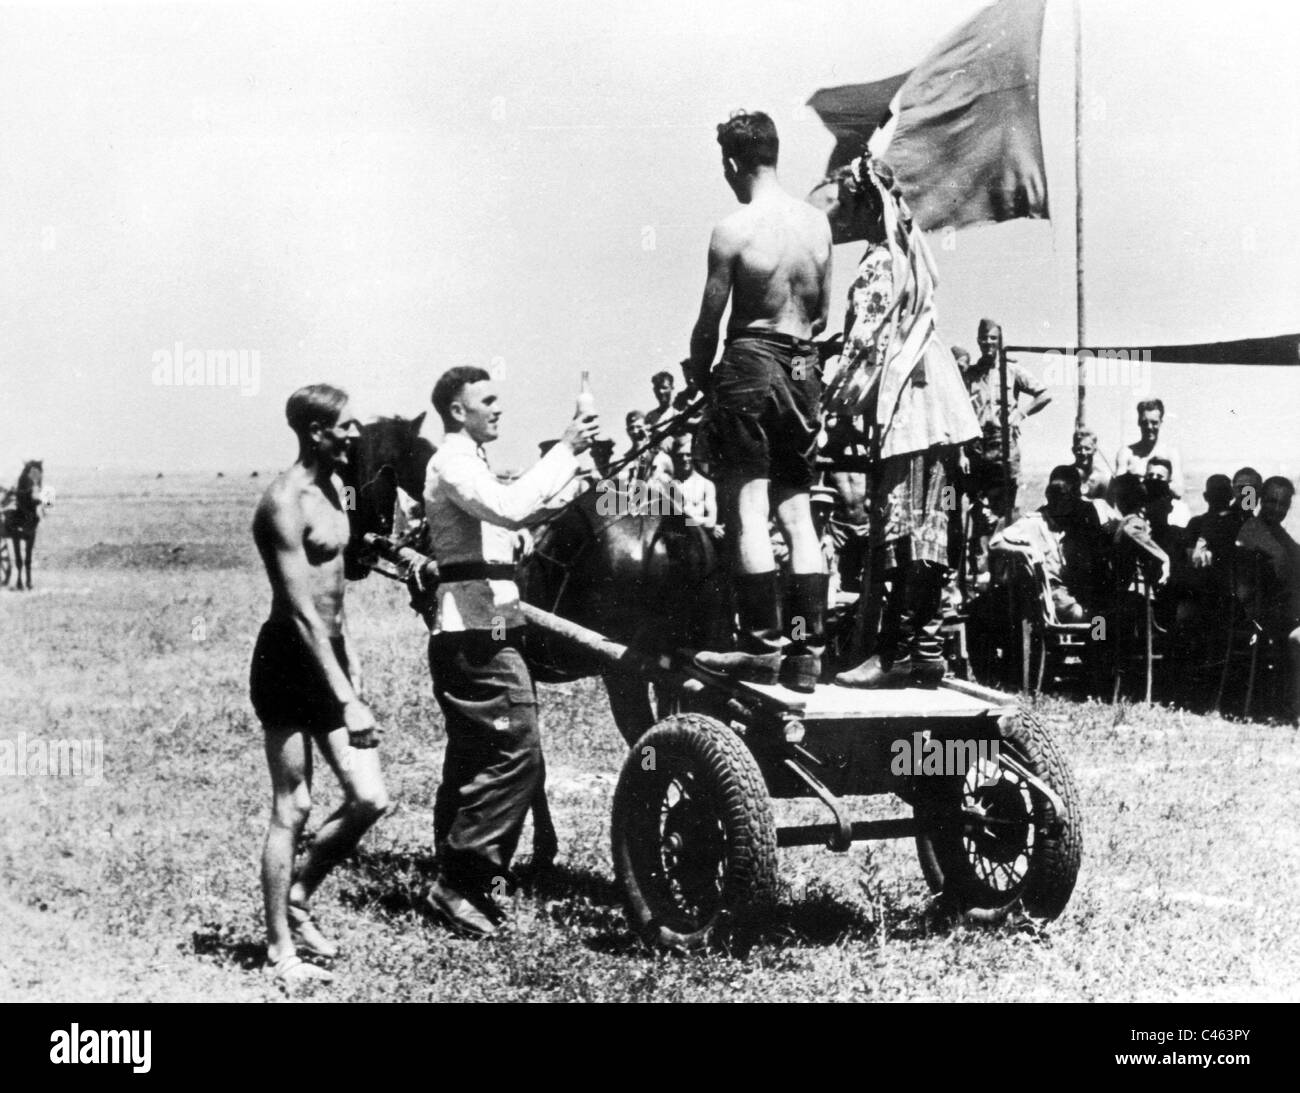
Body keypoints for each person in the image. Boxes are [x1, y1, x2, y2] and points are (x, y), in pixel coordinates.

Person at [422, 366, 599, 937]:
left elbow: (528, 512)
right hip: (472, 632)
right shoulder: (451, 463)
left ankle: (452, 873)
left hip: (486, 625)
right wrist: (564, 450)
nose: (499, 409)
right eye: (488, 400)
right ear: (457, 410)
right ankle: (459, 881)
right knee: (518, 749)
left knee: (475, 753)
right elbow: (511, 509)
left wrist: (578, 477)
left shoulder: (473, 464)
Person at [683, 110, 832, 692]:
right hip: (803, 367)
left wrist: (699, 372)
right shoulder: (818, 226)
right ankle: (806, 653)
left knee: (747, 508)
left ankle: (763, 649)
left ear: (732, 163)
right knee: (798, 514)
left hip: (750, 364)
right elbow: (820, 315)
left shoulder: (732, 229)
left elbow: (709, 323)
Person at [250, 384, 390, 983]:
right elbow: (303, 611)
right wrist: (348, 699)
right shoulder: (283, 501)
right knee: (294, 806)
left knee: (370, 799)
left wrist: (351, 654)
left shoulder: (335, 489)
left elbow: (335, 593)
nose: (355, 435)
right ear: (316, 431)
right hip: (288, 659)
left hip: (329, 656)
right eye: (346, 426)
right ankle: (279, 949)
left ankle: (301, 895)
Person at [991, 465, 1113, 623]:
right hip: (1054, 594)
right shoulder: (1036, 521)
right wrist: (1022, 551)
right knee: (1087, 615)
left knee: (1105, 612)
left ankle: (1096, 642)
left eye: (1066, 496)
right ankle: (1094, 639)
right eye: (1053, 495)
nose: (1057, 501)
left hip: (1080, 589)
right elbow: (995, 544)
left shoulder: (1082, 515)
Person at [961, 318, 1051, 523]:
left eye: (993, 338)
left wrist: (1021, 414)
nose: (988, 343)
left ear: (1000, 341)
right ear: (978, 341)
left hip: (1003, 445)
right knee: (979, 511)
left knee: (1005, 509)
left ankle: (1004, 550)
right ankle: (977, 552)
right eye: (984, 338)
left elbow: (1044, 394)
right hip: (977, 447)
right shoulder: (972, 375)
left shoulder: (1012, 371)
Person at [1234, 475, 1300, 721]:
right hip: (1268, 616)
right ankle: (1291, 707)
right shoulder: (1253, 531)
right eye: (1272, 501)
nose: (1277, 509)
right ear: (1260, 499)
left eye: (1283, 505)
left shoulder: (1279, 533)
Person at [1112, 397, 1185, 499]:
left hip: (1161, 510)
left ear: (1161, 422)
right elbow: (1118, 488)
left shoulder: (1171, 453)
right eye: (1144, 422)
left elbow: (1179, 490)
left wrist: (1152, 483)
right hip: (1134, 509)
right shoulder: (1126, 453)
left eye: (1154, 422)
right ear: (1139, 422)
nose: (1149, 427)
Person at [667, 434, 718, 532]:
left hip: (699, 537)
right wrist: (700, 522)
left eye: (688, 454)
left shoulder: (706, 485)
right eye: (680, 455)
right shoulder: (669, 486)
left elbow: (711, 521)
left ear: (694, 456)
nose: (684, 459)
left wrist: (687, 522)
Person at [621, 410, 673, 487]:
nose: (635, 431)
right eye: (631, 428)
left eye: (639, 427)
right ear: (627, 432)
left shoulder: (662, 458)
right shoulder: (625, 460)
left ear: (648, 429)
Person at [1071, 427, 1111, 500]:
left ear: (1094, 450)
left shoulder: (1102, 479)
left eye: (1087, 449)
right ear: (1073, 450)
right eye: (1079, 449)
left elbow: (1108, 508)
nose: (1083, 453)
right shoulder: (1063, 475)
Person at [644, 370, 678, 439]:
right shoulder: (650, 416)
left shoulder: (678, 412)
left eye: (664, 388)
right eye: (657, 388)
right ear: (654, 390)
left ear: (672, 388)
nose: (661, 392)